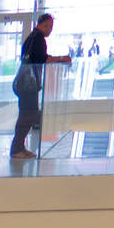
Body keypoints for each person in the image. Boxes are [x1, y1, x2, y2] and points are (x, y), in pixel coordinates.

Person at [10, 13, 71, 160]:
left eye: (51, 27)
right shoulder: (38, 38)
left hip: (25, 82)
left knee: (27, 114)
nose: (49, 30)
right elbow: (43, 59)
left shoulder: (32, 37)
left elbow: (36, 57)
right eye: (47, 26)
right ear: (39, 24)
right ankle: (17, 148)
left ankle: (19, 147)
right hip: (28, 84)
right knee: (28, 114)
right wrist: (62, 59)